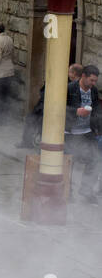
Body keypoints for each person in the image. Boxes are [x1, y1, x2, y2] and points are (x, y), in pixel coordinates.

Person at [17, 63, 83, 149]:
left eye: (69, 71)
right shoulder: (74, 83)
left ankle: (37, 144)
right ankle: (29, 142)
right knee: (33, 120)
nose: (67, 73)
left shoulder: (71, 84)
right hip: (50, 107)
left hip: (55, 110)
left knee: (39, 123)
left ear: (74, 73)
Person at [65, 65, 101, 202]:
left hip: (87, 131)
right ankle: (67, 192)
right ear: (83, 76)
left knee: (95, 159)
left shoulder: (93, 91)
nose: (93, 83)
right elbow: (58, 105)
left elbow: (97, 109)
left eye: (95, 81)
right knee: (70, 162)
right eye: (91, 80)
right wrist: (76, 111)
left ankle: (86, 190)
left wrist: (98, 127)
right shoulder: (70, 88)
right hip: (71, 132)